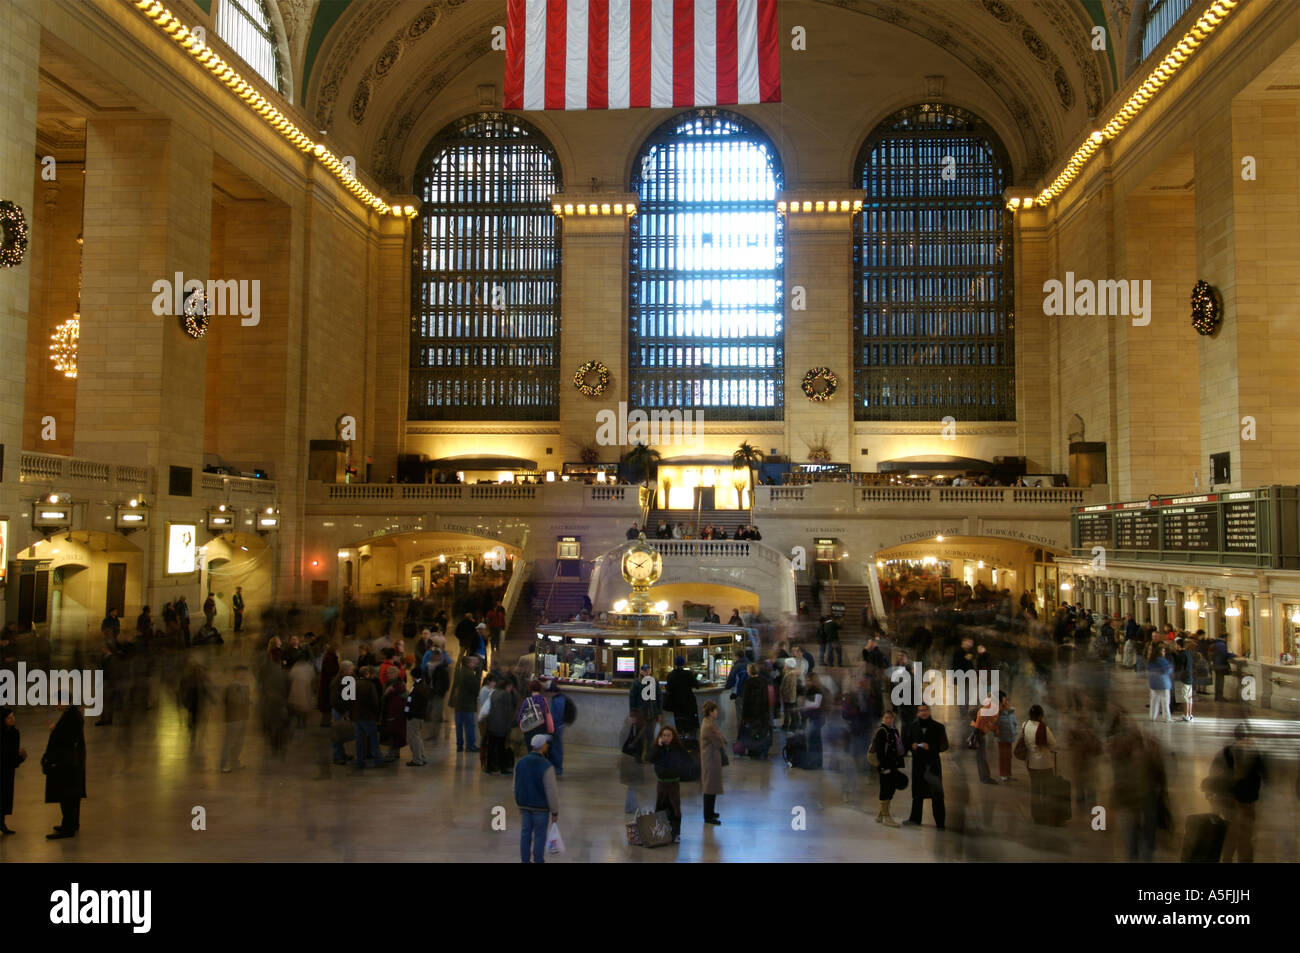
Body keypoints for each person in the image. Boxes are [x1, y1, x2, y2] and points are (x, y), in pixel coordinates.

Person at [1204, 723, 1267, 862]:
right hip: (1244, 804)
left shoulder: (1226, 752)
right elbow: (1263, 777)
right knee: (1244, 840)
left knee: (1230, 839)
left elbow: (1214, 774)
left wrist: (1213, 796)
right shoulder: (1254, 754)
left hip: (1230, 804)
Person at [41, 703, 86, 839]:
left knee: (67, 796)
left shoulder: (71, 716)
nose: (56, 705)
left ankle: (68, 828)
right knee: (71, 797)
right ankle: (71, 824)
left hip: (67, 764)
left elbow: (67, 738)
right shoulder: (73, 714)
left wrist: (55, 730)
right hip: (73, 762)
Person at [513, 734, 559, 863]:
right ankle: (538, 860)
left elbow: (515, 786)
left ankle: (525, 860)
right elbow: (552, 791)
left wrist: (518, 802)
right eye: (546, 744)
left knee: (525, 834)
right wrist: (555, 811)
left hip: (524, 806)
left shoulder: (520, 763)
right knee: (539, 836)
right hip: (541, 808)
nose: (547, 745)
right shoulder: (547, 766)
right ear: (543, 746)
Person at [901, 703, 948, 829]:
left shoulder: (938, 727)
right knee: (918, 792)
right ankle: (915, 819)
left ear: (930, 711)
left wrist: (931, 747)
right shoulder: (913, 727)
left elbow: (944, 745)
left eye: (926, 710)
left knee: (936, 793)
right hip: (918, 764)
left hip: (933, 764)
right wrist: (912, 746)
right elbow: (907, 743)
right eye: (921, 710)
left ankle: (940, 822)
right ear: (917, 713)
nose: (923, 712)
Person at [648, 724, 688, 843]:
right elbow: (650, 758)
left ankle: (676, 833)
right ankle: (660, 833)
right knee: (660, 808)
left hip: (673, 784)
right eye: (664, 735)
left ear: (673, 736)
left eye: (668, 735)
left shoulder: (677, 748)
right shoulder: (658, 747)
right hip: (661, 783)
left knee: (675, 809)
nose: (666, 738)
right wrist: (659, 747)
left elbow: (685, 761)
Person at [1021, 704, 1059, 824]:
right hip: (1045, 764)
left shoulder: (1025, 725)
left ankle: (1037, 816)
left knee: (1035, 790)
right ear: (1040, 715)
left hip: (1031, 763)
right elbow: (1053, 744)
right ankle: (1047, 813)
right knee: (1047, 790)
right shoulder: (1043, 728)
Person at [869, 710, 905, 826]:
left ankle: (881, 815)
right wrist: (883, 767)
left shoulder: (894, 731)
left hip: (892, 765)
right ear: (883, 719)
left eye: (890, 718)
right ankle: (886, 816)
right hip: (885, 766)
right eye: (886, 718)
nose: (888, 720)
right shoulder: (882, 731)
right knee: (886, 789)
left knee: (890, 788)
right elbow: (880, 751)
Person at [351, 666, 384, 769]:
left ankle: (359, 762)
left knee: (359, 741)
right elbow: (375, 702)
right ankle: (378, 760)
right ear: (367, 674)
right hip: (368, 716)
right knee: (373, 739)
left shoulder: (353, 684)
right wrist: (376, 714)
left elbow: (349, 701)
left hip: (356, 717)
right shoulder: (370, 685)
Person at [699, 701, 726, 825]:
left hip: (712, 758)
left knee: (712, 786)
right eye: (715, 710)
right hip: (710, 759)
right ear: (710, 712)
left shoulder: (709, 722)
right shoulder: (709, 726)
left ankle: (711, 811)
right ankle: (708, 815)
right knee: (709, 787)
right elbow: (718, 741)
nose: (717, 712)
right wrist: (722, 740)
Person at [220, 666, 250, 773]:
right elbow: (233, 700)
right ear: (236, 674)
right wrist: (245, 701)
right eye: (241, 673)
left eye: (244, 673)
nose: (243, 675)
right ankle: (224, 764)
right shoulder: (231, 687)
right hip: (233, 718)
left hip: (242, 717)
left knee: (239, 742)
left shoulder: (245, 686)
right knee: (229, 742)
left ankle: (235, 761)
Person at [619, 710, 650, 813]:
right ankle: (631, 807)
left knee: (632, 786)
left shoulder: (631, 728)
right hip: (631, 761)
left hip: (631, 760)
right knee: (632, 786)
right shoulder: (630, 729)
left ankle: (632, 806)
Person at [450, 655, 482, 752]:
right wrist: (478, 674)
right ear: (468, 663)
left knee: (459, 727)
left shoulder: (459, 671)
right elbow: (475, 689)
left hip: (458, 704)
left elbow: (454, 686)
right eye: (473, 662)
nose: (475, 664)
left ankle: (459, 745)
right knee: (469, 726)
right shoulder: (469, 674)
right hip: (467, 704)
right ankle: (470, 746)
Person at [1, 708, 26, 835]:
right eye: (9, 718)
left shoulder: (15, 733)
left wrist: (20, 758)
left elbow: (13, 755)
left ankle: (2, 822)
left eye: (13, 717)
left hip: (8, 770)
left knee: (5, 796)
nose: (13, 719)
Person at [664, 656, 700, 738]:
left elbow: (668, 688)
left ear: (675, 664)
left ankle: (680, 737)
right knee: (690, 724)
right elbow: (697, 685)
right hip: (688, 703)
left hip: (676, 704)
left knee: (679, 723)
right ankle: (690, 741)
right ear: (683, 664)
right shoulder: (688, 674)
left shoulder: (671, 675)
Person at [517, 679, 552, 752]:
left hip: (530, 729)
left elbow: (520, 717)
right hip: (541, 729)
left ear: (530, 689)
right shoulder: (543, 700)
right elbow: (546, 714)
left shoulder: (527, 701)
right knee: (540, 750)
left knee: (530, 750)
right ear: (540, 689)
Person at [1148, 644, 1174, 723]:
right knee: (1165, 702)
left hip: (1153, 683)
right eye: (1163, 651)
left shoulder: (1151, 660)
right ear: (1160, 652)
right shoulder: (1162, 660)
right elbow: (1168, 670)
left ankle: (1152, 716)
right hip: (1163, 683)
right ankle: (1167, 718)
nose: (1164, 653)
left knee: (1154, 701)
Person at [995, 693, 1017, 782]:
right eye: (1004, 703)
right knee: (1003, 757)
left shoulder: (1011, 714)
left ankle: (1008, 773)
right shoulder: (999, 714)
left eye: (1007, 702)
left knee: (1008, 757)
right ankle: (1003, 774)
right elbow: (995, 725)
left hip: (1009, 738)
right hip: (1002, 739)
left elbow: (1014, 724)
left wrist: (1015, 732)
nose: (1007, 704)